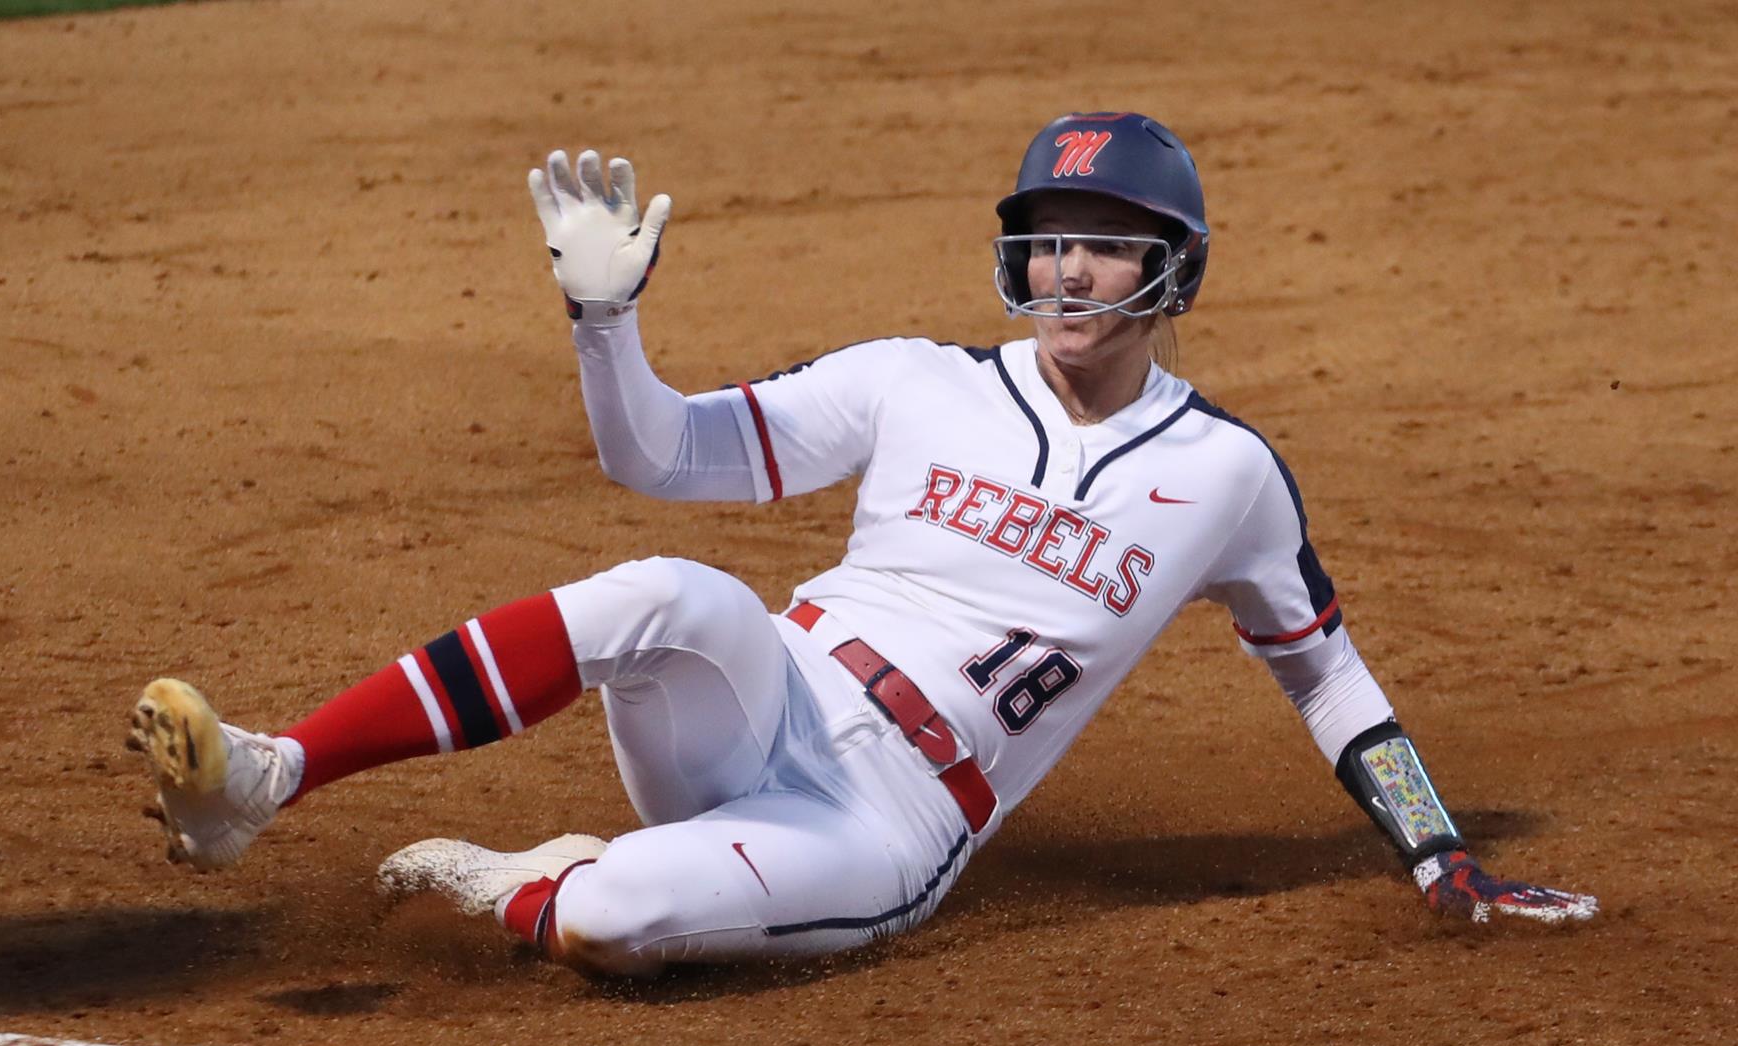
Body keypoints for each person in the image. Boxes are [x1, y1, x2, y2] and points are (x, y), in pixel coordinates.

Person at [124, 113, 1597, 978]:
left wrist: (1439, 849)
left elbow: (1328, 679)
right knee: (674, 591)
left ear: (1175, 269)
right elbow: (659, 454)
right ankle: (271, 773)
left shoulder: (1225, 474)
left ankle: (528, 874)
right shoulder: (917, 379)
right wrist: (605, 321)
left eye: (1109, 237)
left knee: (615, 920)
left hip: (895, 818)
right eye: (1052, 232)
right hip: (774, 694)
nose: (1072, 264)